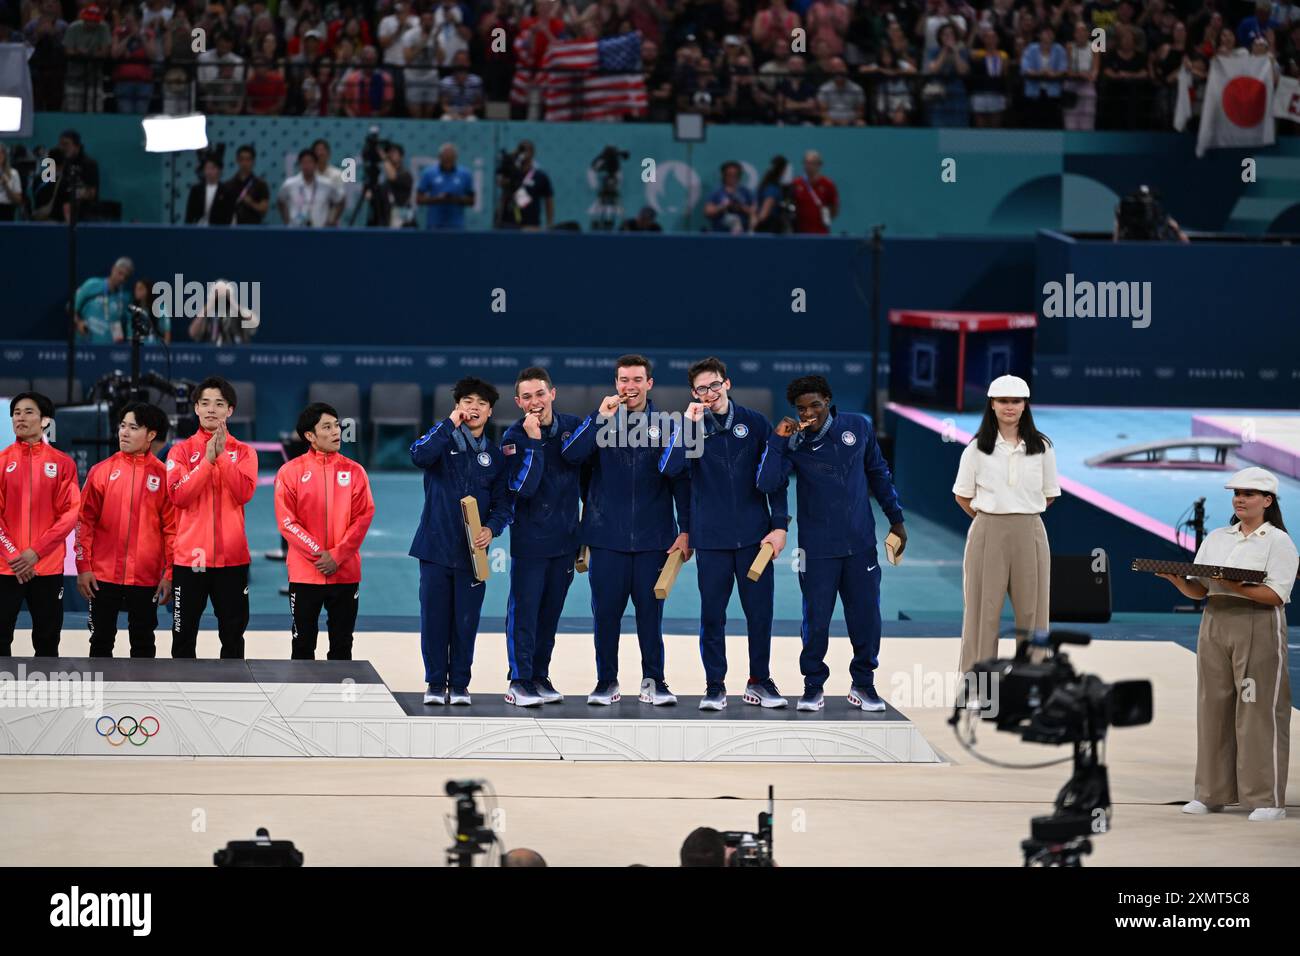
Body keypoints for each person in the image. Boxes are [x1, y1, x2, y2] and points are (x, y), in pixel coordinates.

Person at [756, 375, 907, 712]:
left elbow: (879, 473)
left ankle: (864, 685)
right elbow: (767, 483)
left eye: (815, 405)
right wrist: (777, 442)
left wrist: (896, 520)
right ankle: (812, 687)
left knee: (867, 618)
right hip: (816, 550)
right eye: (801, 408)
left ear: (828, 400)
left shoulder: (858, 427)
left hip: (860, 545)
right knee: (816, 621)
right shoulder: (793, 443)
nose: (809, 413)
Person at [1157, 467, 1296, 822]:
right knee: (1213, 708)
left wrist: (1233, 585)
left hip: (1256, 622)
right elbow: (1200, 589)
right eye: (1236, 493)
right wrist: (1177, 581)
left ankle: (1266, 798)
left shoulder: (1278, 541)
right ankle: (1211, 793)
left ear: (1267, 501)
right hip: (1215, 622)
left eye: (1249, 494)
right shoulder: (1218, 537)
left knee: (1258, 710)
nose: (1240, 499)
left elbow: (1275, 594)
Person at [560, 354, 691, 707]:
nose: (629, 387)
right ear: (615, 384)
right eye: (623, 380)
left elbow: (679, 479)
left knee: (651, 615)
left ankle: (654, 681)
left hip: (655, 539)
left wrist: (687, 529)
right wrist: (597, 418)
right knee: (605, 616)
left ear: (649, 384)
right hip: (606, 538)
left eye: (636, 380)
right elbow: (571, 457)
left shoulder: (668, 426)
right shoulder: (599, 422)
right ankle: (606, 682)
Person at [659, 357, 789, 710]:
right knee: (712, 615)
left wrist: (780, 525)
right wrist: (687, 426)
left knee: (760, 615)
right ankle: (715, 685)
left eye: (715, 385)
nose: (710, 393)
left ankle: (759, 681)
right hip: (711, 540)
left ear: (727, 384)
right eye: (702, 388)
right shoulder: (692, 428)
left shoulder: (755, 423)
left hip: (755, 537)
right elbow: (671, 471)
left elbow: (775, 479)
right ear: (693, 394)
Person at [410, 378, 513, 706]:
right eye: (467, 401)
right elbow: (419, 455)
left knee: (465, 622)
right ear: (457, 407)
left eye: (481, 403)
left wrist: (492, 529)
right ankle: (435, 683)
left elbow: (504, 505)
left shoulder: (495, 458)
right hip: (436, 548)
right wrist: (448, 424)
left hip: (473, 553)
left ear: (490, 411)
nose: (473, 408)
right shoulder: (441, 444)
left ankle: (460, 685)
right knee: (435, 620)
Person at [952, 376, 1059, 675]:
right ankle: (979, 686)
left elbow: (1050, 495)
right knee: (981, 614)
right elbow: (962, 495)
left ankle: (1031, 685)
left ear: (1025, 405)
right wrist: (990, 520)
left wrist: (1020, 515)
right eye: (1003, 401)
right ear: (992, 405)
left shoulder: (1043, 447)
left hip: (1030, 531)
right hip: (988, 531)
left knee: (1033, 615)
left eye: (1016, 401)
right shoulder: (976, 449)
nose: (1009, 407)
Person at [499, 368, 584, 707]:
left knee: (550, 613)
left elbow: (589, 471)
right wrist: (534, 443)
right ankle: (518, 680)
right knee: (525, 611)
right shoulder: (513, 437)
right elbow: (523, 488)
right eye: (528, 397)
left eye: (540, 394)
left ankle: (539, 675)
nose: (535, 402)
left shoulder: (572, 427)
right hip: (530, 541)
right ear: (519, 402)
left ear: (553, 393)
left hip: (565, 540)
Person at [166, 376, 258, 659]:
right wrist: (206, 462)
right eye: (204, 403)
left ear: (229, 410)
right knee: (183, 638)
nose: (211, 410)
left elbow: (243, 493)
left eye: (219, 404)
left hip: (232, 559)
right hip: (191, 560)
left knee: (233, 638)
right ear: (195, 408)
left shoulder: (244, 452)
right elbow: (178, 496)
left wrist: (222, 458)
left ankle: (231, 698)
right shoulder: (180, 451)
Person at [275, 402, 375, 661]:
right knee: (302, 645)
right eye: (327, 427)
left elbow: (363, 515)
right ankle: (302, 698)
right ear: (310, 436)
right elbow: (287, 522)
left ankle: (337, 701)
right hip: (305, 574)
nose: (336, 432)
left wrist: (338, 555)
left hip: (345, 572)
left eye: (337, 426)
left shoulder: (355, 471)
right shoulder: (290, 472)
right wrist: (321, 554)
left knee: (342, 645)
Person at [75, 402, 174, 658]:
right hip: (102, 576)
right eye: (122, 426)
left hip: (146, 578)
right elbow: (84, 523)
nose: (124, 433)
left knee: (143, 645)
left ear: (151, 435)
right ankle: (99, 698)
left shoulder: (164, 477)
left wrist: (169, 574)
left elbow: (171, 530)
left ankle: (143, 699)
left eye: (133, 427)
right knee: (100, 642)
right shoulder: (101, 472)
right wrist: (84, 567)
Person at [0, 393, 80, 657]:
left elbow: (70, 513)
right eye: (16, 412)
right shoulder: (1, 461)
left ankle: (45, 697)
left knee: (47, 640)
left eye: (28, 412)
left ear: (45, 420)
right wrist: (14, 556)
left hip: (46, 568)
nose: (20, 417)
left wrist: (35, 552)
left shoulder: (62, 463)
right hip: (5, 568)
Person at [278, 148, 344, 227]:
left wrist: (333, 220)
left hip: (320, 231)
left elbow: (341, 200)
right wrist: (287, 221)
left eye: (310, 162)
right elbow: (280, 201)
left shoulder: (326, 184)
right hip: (295, 230)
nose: (306, 166)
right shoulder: (290, 184)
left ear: (316, 164)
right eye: (303, 162)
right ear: (299, 165)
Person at [74, 256, 133, 344]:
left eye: (126, 277)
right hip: (85, 345)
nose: (122, 278)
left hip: (110, 350)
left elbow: (130, 324)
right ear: (113, 269)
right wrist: (79, 323)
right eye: (120, 273)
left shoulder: (125, 298)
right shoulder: (92, 285)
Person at [416, 143, 475, 229]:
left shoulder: (465, 174)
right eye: (445, 158)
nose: (448, 160)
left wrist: (455, 199)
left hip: (457, 226)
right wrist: (438, 199)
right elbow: (419, 199)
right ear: (439, 157)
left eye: (451, 158)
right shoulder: (428, 173)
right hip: (434, 225)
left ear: (455, 157)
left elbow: (472, 200)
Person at [502, 140, 553, 230]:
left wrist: (549, 223)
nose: (524, 153)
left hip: (531, 222)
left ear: (533, 153)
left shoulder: (540, 176)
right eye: (521, 149)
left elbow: (548, 200)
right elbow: (502, 187)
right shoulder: (511, 173)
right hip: (510, 221)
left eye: (527, 150)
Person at [222, 145, 271, 226]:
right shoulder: (228, 184)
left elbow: (264, 209)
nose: (244, 163)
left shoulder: (260, 184)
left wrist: (251, 203)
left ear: (253, 161)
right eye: (241, 159)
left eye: (248, 160)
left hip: (253, 227)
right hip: (232, 227)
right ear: (237, 161)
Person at [791, 149, 838, 235]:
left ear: (819, 165)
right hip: (799, 232)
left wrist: (825, 219)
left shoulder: (828, 184)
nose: (808, 166)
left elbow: (834, 208)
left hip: (821, 232)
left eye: (812, 163)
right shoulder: (796, 183)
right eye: (806, 163)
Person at [703, 160, 756, 234]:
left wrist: (741, 207)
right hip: (720, 234)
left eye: (736, 175)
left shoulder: (746, 192)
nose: (733, 177)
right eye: (729, 174)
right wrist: (723, 206)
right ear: (724, 175)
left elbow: (754, 212)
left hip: (743, 234)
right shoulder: (716, 193)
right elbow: (707, 211)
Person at [185, 156, 233, 225]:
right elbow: (189, 214)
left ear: (219, 170)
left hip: (218, 230)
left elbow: (228, 216)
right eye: (207, 168)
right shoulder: (196, 190)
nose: (209, 172)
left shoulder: (226, 191)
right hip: (198, 228)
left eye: (213, 168)